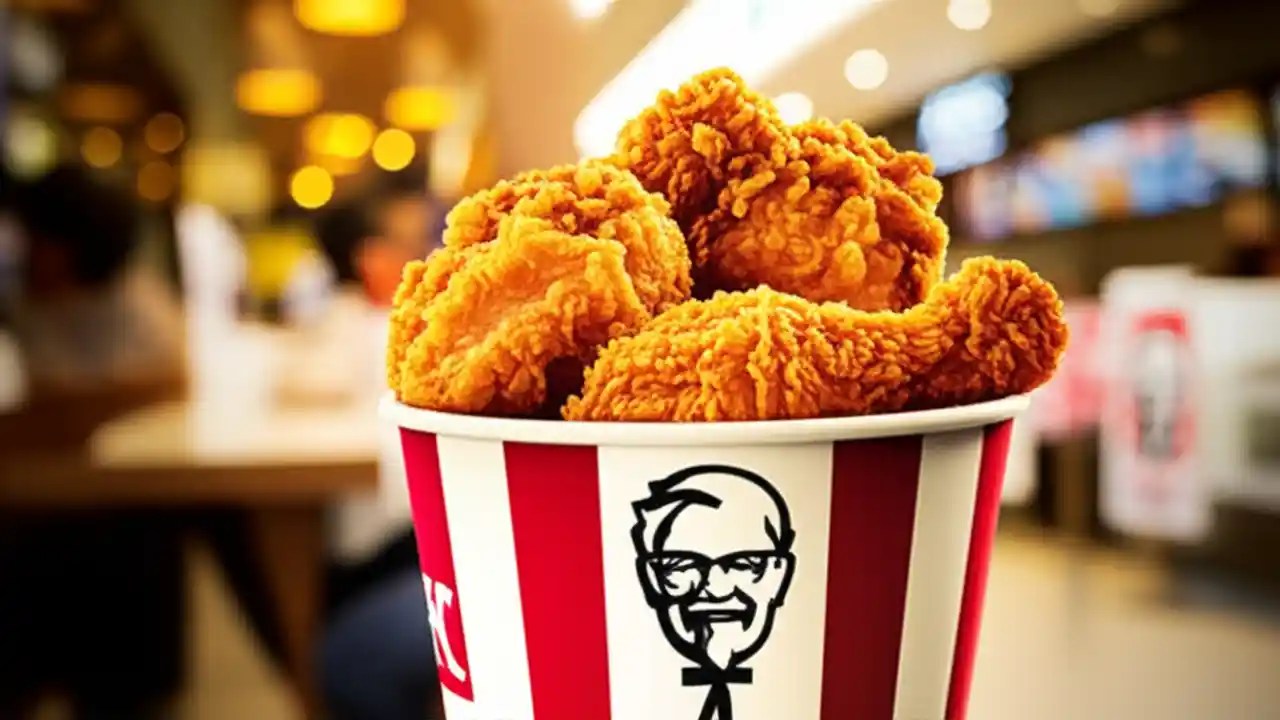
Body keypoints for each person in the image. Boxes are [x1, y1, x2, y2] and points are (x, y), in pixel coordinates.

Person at [0, 164, 186, 719]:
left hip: (114, 504)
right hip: (42, 506)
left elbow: (171, 383)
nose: (27, 251)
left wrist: (62, 410)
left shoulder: (132, 300)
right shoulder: (25, 308)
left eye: (37, 238)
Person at [308, 173, 444, 720]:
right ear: (371, 260)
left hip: (418, 552)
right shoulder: (372, 333)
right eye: (412, 244)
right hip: (403, 550)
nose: (429, 252)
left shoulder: (410, 333)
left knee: (349, 661)